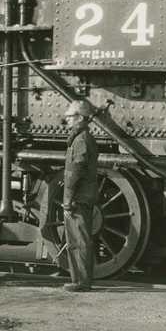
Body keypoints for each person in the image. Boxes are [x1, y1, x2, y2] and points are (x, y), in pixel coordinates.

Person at [57, 99, 100, 291]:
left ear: (81, 118)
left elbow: (76, 170)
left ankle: (82, 282)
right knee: (75, 239)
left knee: (79, 240)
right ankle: (78, 280)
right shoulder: (81, 137)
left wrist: (68, 198)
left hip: (79, 197)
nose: (67, 120)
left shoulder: (81, 139)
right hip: (81, 195)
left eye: (70, 116)